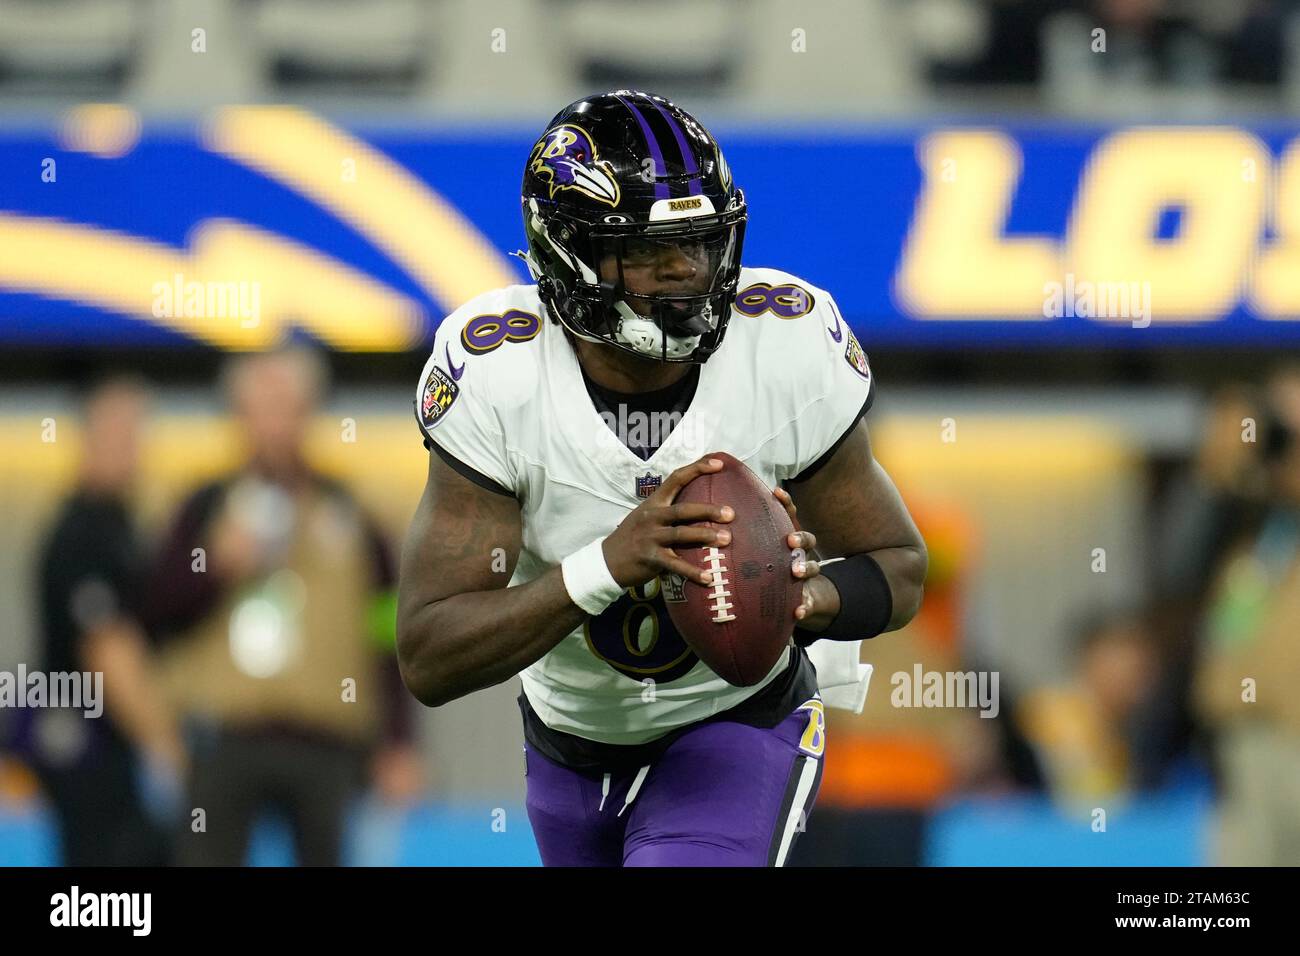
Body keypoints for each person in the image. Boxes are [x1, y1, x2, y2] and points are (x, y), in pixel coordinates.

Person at [397, 91, 927, 866]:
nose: (688, 273)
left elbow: (901, 569)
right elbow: (428, 654)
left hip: (738, 724)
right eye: (650, 253)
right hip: (568, 744)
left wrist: (804, 597)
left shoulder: (783, 346)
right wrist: (603, 568)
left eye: (701, 244)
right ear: (568, 253)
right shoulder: (498, 373)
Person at [146, 345, 419, 866]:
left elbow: (388, 630)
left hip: (326, 739)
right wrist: (214, 568)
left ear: (308, 413)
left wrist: (399, 741)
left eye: (286, 406)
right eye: (260, 407)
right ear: (238, 415)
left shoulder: (351, 512)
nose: (273, 423)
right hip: (223, 736)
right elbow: (156, 611)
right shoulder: (203, 507)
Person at [27, 375, 181, 866]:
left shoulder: (121, 526)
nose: (131, 450)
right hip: (92, 755)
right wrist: (165, 747)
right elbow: (107, 649)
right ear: (89, 438)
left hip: (108, 753)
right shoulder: (84, 531)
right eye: (118, 435)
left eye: (135, 435)